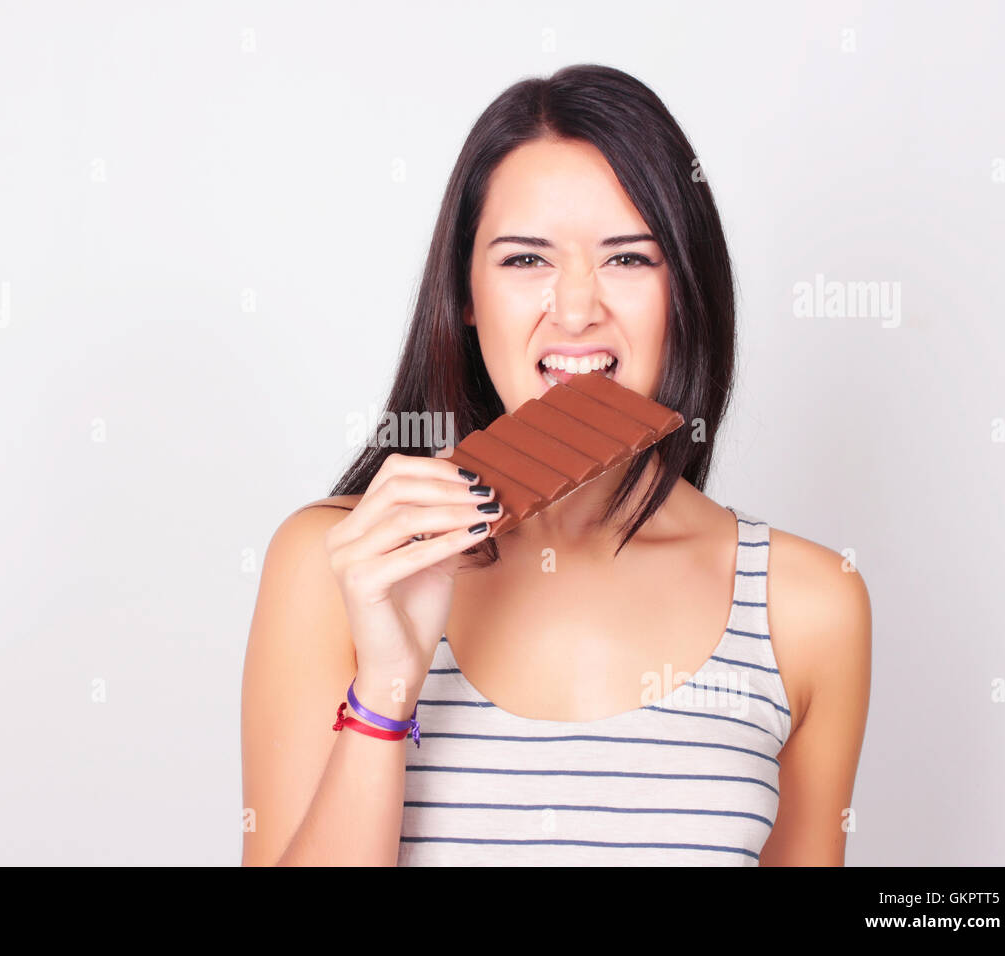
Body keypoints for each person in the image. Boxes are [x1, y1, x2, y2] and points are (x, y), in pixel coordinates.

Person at [240, 64, 871, 866]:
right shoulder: (338, 566)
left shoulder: (807, 606)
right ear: (465, 293)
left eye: (630, 259)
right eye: (525, 261)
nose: (576, 309)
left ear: (688, 290)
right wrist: (386, 690)